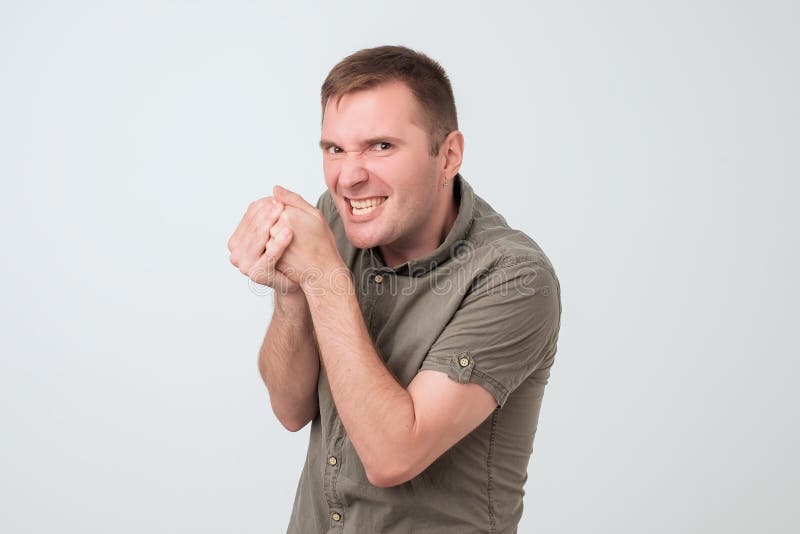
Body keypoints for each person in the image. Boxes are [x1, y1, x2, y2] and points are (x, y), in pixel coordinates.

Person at [228, 45, 562, 534]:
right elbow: (290, 408)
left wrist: (322, 279)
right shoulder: (331, 222)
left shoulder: (514, 277)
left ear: (448, 154)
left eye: (380, 146)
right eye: (334, 149)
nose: (350, 176)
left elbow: (392, 455)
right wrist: (292, 292)